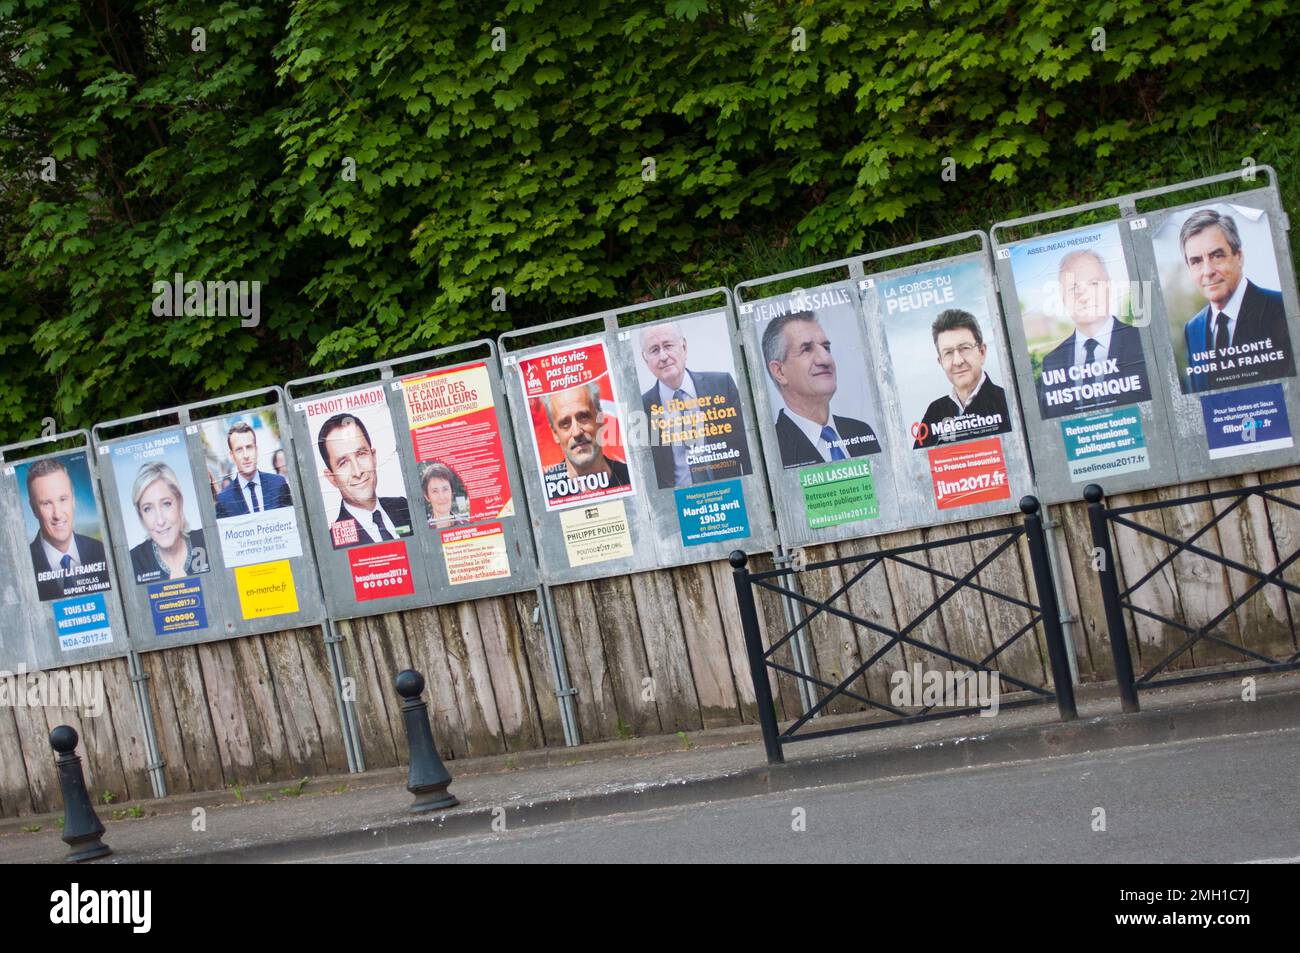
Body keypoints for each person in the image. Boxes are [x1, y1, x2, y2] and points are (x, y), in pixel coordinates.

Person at [1178, 208, 1291, 392]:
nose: (1208, 271)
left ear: (1239, 256)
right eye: (1196, 261)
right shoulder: (1193, 328)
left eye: (1217, 256)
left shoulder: (1280, 307)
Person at [1038, 249, 1151, 418]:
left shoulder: (1143, 342)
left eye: (1094, 284)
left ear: (1109, 287)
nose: (1083, 297)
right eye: (1073, 287)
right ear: (1062, 298)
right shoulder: (1051, 362)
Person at [638, 321, 752, 488]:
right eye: (654, 350)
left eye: (668, 346)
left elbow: (746, 447)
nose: (663, 356)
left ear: (684, 347)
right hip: (679, 503)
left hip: (728, 494)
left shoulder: (722, 386)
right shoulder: (642, 407)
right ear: (645, 358)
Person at [762, 311, 880, 468]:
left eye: (826, 348)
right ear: (779, 372)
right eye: (806, 349)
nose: (825, 359)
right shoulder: (773, 452)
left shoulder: (861, 431)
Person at [912, 310, 1013, 449]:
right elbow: (920, 466)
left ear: (982, 352)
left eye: (964, 348)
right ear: (940, 362)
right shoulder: (935, 411)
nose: (958, 361)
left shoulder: (1007, 402)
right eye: (948, 353)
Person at [317, 413, 412, 549]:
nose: (357, 472)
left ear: (373, 457)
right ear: (332, 477)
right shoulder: (331, 544)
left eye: (361, 454)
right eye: (343, 462)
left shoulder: (404, 507)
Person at [24, 457, 111, 601]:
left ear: (73, 501)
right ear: (33, 509)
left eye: (63, 499)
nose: (57, 514)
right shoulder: (25, 566)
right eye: (46, 503)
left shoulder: (101, 551)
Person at [539, 381, 632, 502]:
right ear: (555, 434)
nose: (577, 432)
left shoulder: (632, 477)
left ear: (600, 420)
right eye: (565, 423)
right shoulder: (543, 495)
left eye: (583, 417)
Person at [128, 462, 208, 583]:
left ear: (179, 504)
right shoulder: (133, 562)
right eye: (148, 509)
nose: (160, 521)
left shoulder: (207, 541)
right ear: (141, 516)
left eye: (166, 504)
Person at [213, 421, 293, 517]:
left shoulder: (278, 484)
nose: (246, 455)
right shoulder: (224, 500)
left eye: (249, 447)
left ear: (256, 450)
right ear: (232, 456)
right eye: (239, 450)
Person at [421, 462, 468, 529]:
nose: (442, 497)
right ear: (427, 496)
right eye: (435, 491)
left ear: (452, 492)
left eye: (445, 489)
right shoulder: (424, 530)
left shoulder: (467, 526)